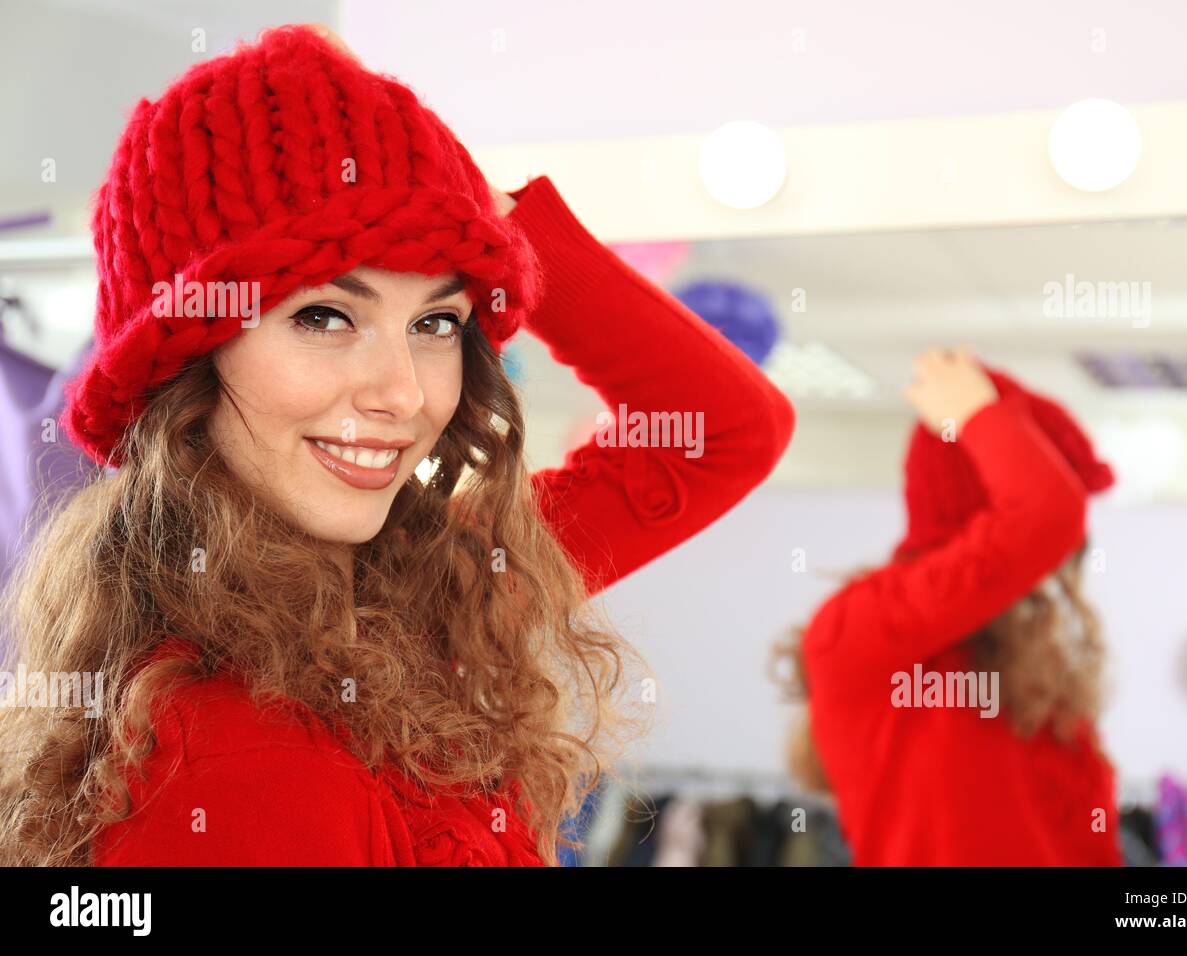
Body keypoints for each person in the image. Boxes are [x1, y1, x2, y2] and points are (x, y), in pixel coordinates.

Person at [0, 24, 794, 867]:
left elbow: (718, 433)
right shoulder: (240, 757)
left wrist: (506, 224)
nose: (405, 394)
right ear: (183, 363)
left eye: (436, 321)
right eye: (324, 316)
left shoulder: (426, 602)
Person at [777, 347, 1122, 865]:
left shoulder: (1026, 665)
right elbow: (1044, 517)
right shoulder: (857, 628)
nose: (1054, 563)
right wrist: (974, 415)